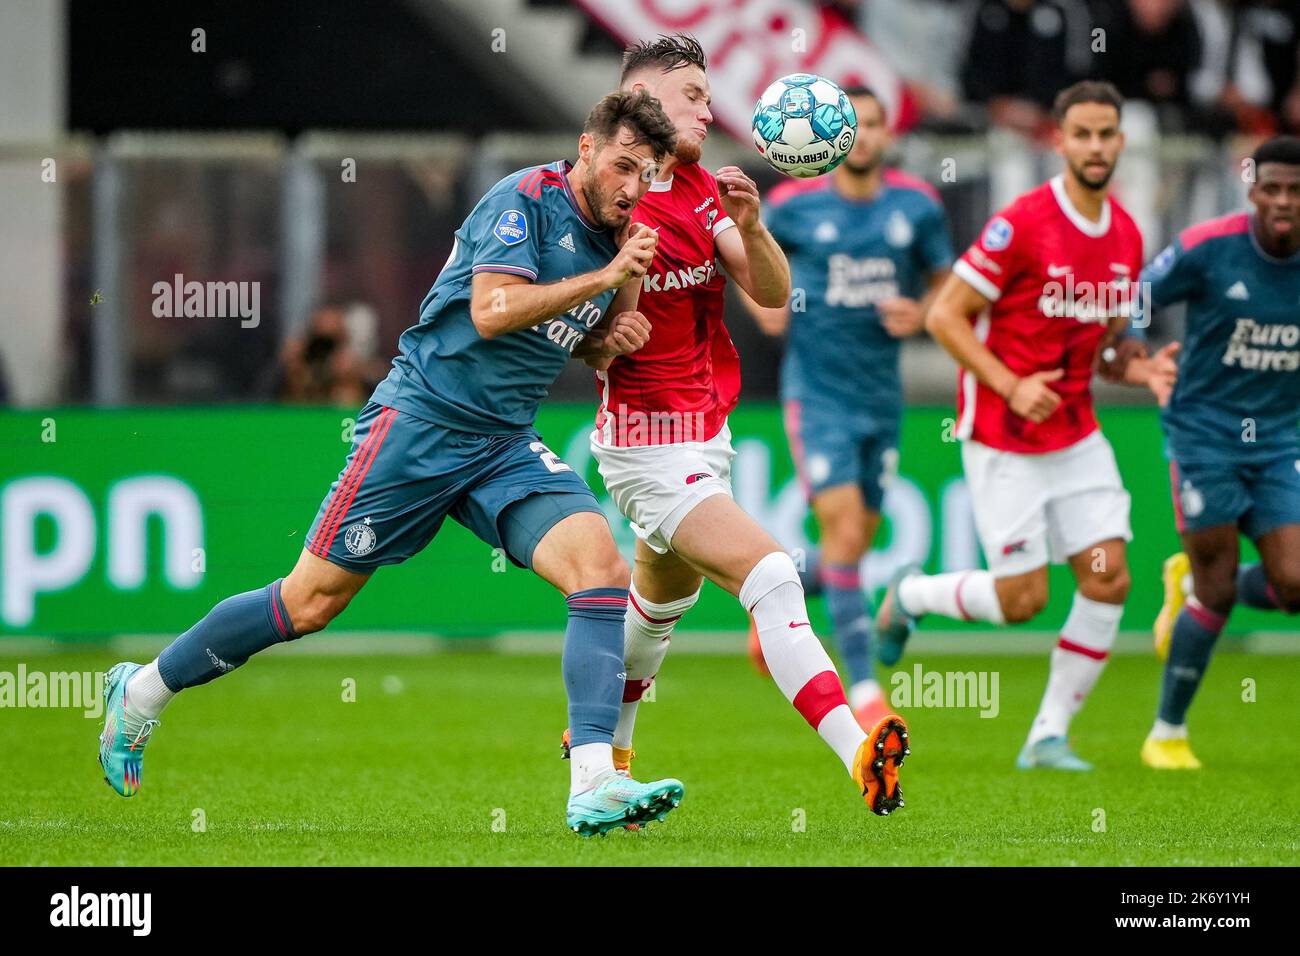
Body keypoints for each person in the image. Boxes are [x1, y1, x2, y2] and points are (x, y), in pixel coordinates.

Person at [97, 90, 689, 837]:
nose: (635, 186)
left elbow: (580, 334)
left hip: (503, 442)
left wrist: (611, 334)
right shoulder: (525, 200)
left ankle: (594, 779)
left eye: (650, 174)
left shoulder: (625, 237)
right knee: (307, 604)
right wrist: (607, 284)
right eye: (625, 166)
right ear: (588, 148)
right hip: (420, 425)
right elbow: (492, 311)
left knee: (598, 567)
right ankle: (143, 692)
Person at [571, 35, 911, 816]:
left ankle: (602, 753)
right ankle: (857, 747)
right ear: (646, 94)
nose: (708, 106)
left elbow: (770, 293)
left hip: (706, 435)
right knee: (773, 573)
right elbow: (561, 301)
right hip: (646, 445)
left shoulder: (696, 185)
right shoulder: (606, 194)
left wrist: (752, 226)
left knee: (657, 610)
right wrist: (600, 333)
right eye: (692, 93)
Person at [874, 80, 1178, 770]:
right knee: (1022, 601)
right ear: (1061, 141)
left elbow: (1100, 349)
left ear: (1120, 143)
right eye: (1083, 134)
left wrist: (1138, 370)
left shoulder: (1128, 236)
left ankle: (1047, 735)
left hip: (1075, 432)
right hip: (1004, 434)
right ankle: (910, 593)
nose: (1096, 147)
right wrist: (1011, 384)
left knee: (1109, 579)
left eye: (1107, 134)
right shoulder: (1023, 223)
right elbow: (945, 315)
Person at [742, 85, 953, 729]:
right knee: (842, 535)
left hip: (881, 398)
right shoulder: (794, 206)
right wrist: (767, 311)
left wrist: (920, 314)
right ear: (830, 137)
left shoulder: (916, 206)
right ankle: (864, 692)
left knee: (852, 544)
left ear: (891, 137)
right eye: (852, 126)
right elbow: (742, 261)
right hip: (818, 395)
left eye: (877, 124)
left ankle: (777, 603)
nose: (865, 136)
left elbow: (948, 285)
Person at [1130, 136, 1300, 769]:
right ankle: (1166, 734)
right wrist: (1138, 354)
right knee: (1219, 590)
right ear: (1253, 190)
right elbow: (1134, 296)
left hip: (1281, 439)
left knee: (1295, 583)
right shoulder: (1209, 248)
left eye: (1296, 191)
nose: (1284, 202)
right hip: (1204, 434)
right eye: (1273, 188)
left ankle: (1186, 584)